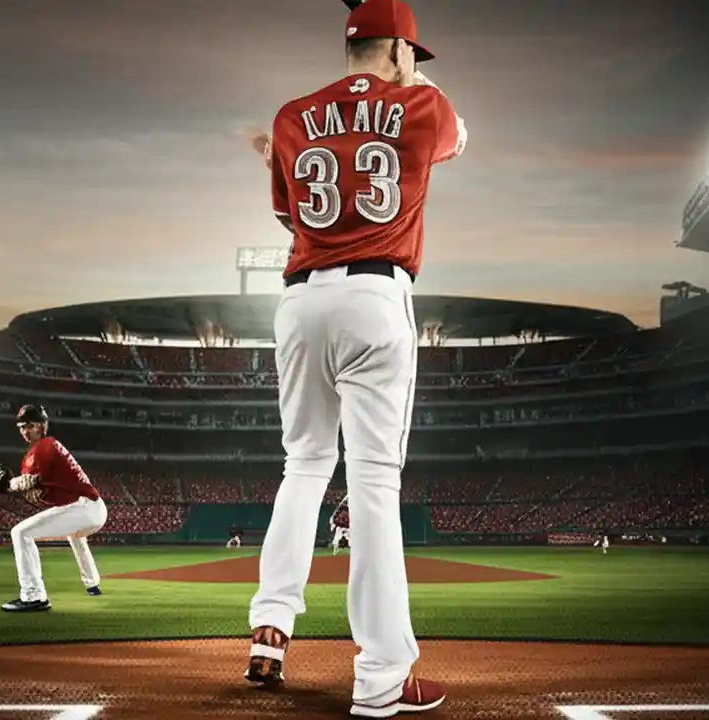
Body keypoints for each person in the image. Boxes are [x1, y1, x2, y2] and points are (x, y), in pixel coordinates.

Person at [244, 0, 466, 716]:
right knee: (372, 483)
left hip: (301, 300)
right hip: (375, 292)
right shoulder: (425, 103)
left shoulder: (289, 115)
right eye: (413, 53)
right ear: (400, 50)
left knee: (303, 465)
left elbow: (289, 214)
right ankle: (379, 679)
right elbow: (457, 141)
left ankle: (269, 625)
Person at [0, 404, 108, 611]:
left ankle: (33, 596)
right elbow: (34, 492)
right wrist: (18, 487)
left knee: (20, 532)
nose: (25, 431)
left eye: (30, 425)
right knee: (76, 537)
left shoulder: (45, 446)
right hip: (88, 508)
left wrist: (7, 485)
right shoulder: (42, 450)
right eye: (22, 427)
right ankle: (92, 584)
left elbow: (29, 481)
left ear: (43, 425)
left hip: (84, 508)